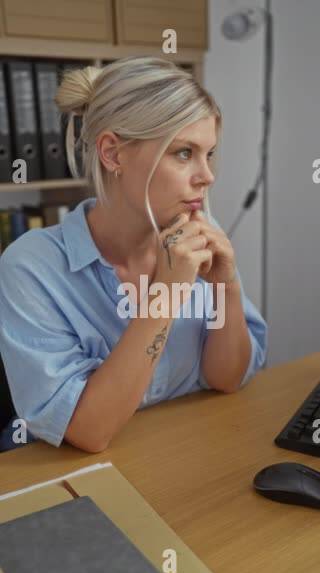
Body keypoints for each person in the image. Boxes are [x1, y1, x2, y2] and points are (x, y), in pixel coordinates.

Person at [0, 56, 268, 454]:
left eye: (208, 154)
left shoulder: (197, 240)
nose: (206, 176)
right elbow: (88, 431)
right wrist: (167, 294)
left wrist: (224, 284)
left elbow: (227, 379)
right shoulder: (31, 267)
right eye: (183, 153)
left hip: (185, 453)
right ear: (113, 154)